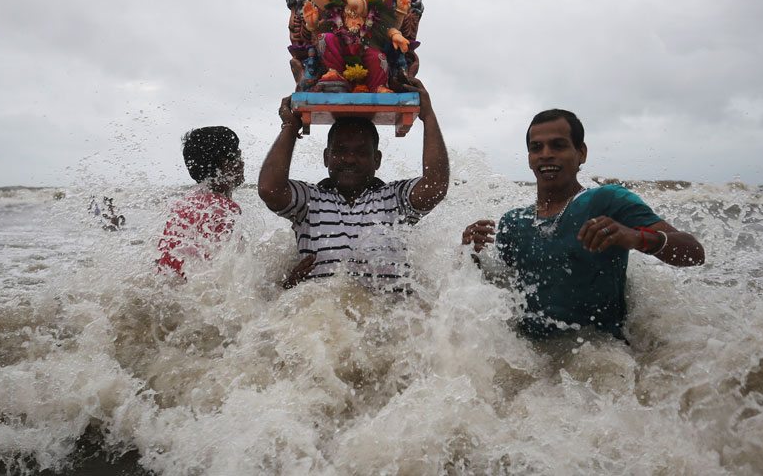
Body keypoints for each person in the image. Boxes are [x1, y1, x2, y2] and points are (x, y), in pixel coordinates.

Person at [462, 109, 704, 340]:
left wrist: (636, 237)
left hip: (601, 361)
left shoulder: (607, 201)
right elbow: (503, 292)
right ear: (529, 159)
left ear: (582, 153)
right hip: (529, 361)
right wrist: (471, 255)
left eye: (558, 145)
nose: (546, 153)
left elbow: (694, 254)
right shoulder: (514, 222)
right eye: (537, 148)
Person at [258, 76, 449, 289]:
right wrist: (290, 127)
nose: (349, 159)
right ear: (325, 157)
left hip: (387, 319)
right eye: (340, 151)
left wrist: (428, 116)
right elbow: (269, 189)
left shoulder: (394, 198)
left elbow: (435, 186)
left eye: (361, 152)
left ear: (377, 160)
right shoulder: (309, 200)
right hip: (322, 319)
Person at [158, 126, 245, 279]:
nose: (242, 163)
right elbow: (233, 273)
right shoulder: (223, 209)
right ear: (226, 165)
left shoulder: (186, 202)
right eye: (239, 156)